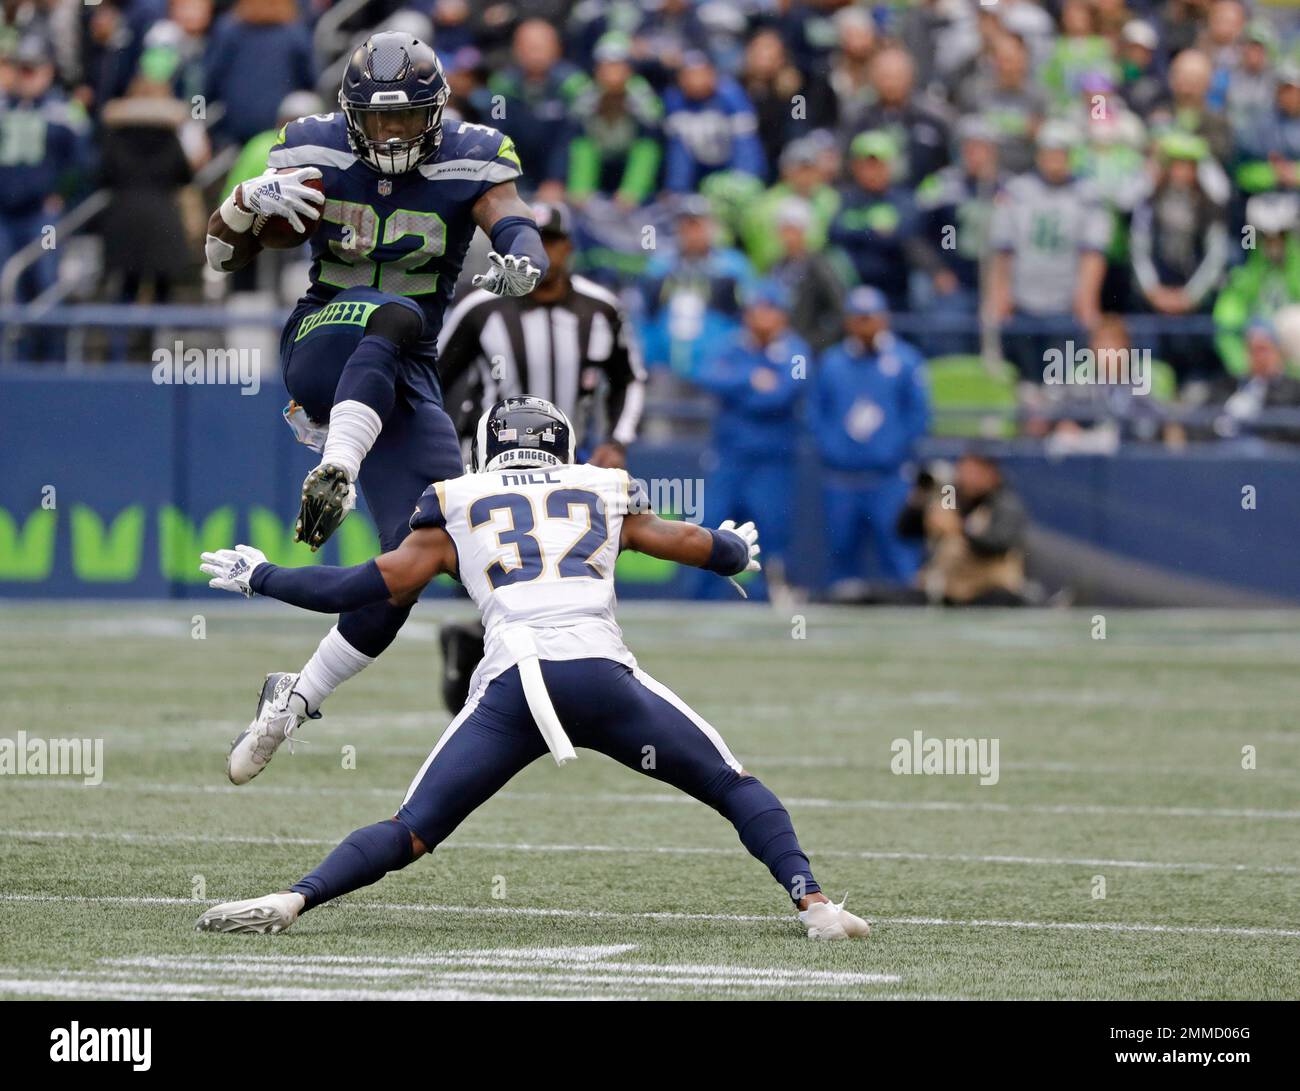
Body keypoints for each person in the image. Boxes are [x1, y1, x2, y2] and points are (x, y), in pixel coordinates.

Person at [195, 397, 870, 943]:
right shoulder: (600, 486)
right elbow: (687, 542)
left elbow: (361, 587)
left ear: (486, 450)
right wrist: (729, 551)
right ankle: (813, 903)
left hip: (515, 681)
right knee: (732, 784)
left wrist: (263, 575)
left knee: (412, 828)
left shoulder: (455, 499)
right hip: (600, 674)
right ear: (564, 447)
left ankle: (295, 896)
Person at [203, 31, 550, 784]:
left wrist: (526, 257)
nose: (391, 135)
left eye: (405, 120)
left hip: (407, 370)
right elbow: (220, 257)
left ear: (435, 113)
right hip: (322, 340)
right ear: (351, 113)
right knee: (393, 311)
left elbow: (514, 217)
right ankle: (337, 465)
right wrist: (241, 203)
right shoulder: (309, 151)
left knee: (419, 553)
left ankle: (293, 698)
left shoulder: (473, 154)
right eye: (378, 120)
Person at [689, 279, 806, 600]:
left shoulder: (794, 349)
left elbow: (783, 394)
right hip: (730, 456)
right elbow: (705, 375)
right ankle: (700, 602)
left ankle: (774, 598)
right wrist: (752, 379)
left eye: (768, 309)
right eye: (756, 310)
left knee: (771, 533)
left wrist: (740, 390)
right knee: (711, 528)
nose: (760, 316)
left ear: (782, 315)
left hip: (772, 459)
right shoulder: (732, 344)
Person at [813, 286, 929, 596]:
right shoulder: (832, 362)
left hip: (888, 477)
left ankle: (907, 612)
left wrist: (893, 449)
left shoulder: (905, 361)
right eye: (858, 318)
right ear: (849, 321)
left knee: (899, 551)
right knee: (841, 552)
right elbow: (815, 411)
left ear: (883, 319)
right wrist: (831, 447)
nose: (864, 325)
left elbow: (918, 414)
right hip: (842, 476)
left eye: (870, 317)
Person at [897, 450, 1028, 606]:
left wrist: (959, 528)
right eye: (965, 469)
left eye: (976, 471)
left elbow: (998, 544)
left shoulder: (1004, 502)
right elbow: (905, 531)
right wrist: (919, 501)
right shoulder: (951, 496)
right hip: (950, 588)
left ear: (992, 474)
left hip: (990, 589)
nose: (968, 477)